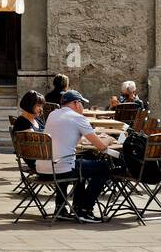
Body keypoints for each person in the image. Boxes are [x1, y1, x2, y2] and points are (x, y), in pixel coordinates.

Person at [38, 89, 113, 222]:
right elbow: (101, 146)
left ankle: (61, 208)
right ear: (76, 103)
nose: (83, 107)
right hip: (60, 168)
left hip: (42, 167)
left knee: (80, 162)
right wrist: (109, 138)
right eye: (82, 104)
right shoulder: (78, 118)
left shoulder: (53, 114)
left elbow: (66, 138)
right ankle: (86, 209)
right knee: (104, 167)